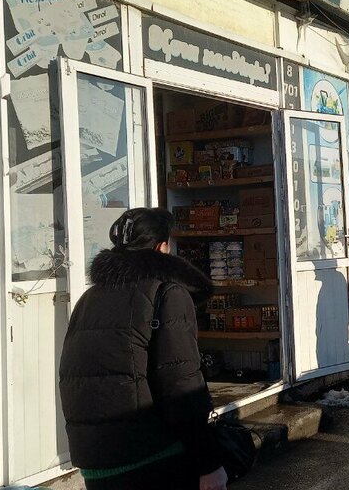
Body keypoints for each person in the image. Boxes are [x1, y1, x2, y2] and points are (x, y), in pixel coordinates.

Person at [58, 208, 228, 490]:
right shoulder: (166, 292)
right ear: (162, 247)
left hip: (96, 461)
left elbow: (74, 377)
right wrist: (209, 463)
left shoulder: (89, 298)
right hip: (153, 458)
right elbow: (181, 386)